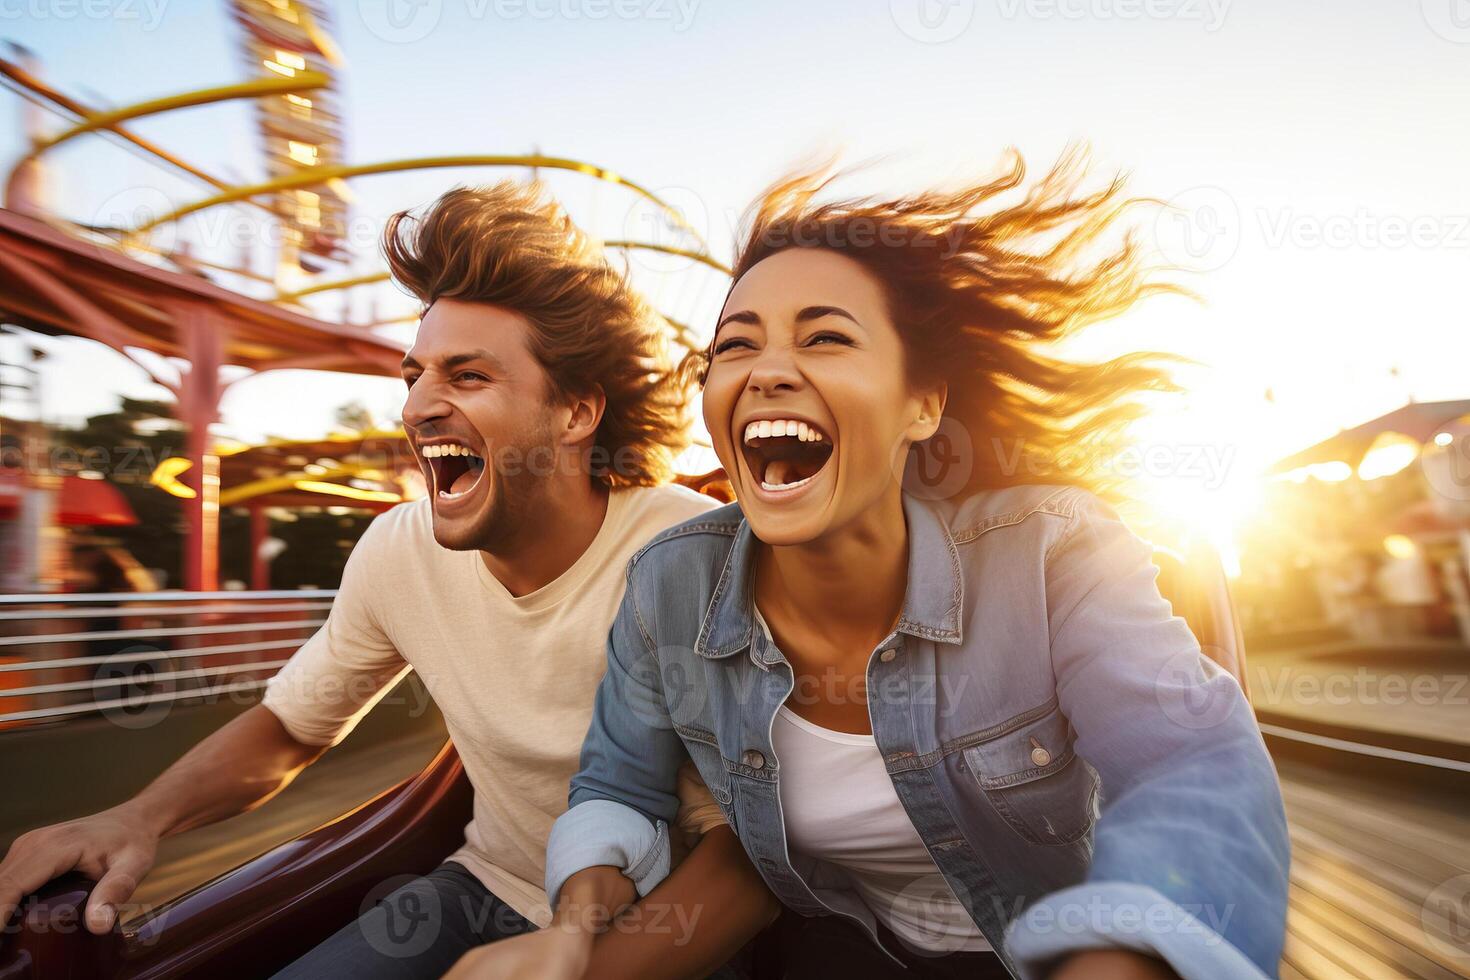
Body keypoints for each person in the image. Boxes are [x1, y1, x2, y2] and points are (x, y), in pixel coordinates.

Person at [505, 152, 1290, 979]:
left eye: (826, 338)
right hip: (834, 942)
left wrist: (1129, 957)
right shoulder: (667, 585)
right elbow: (618, 789)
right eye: (734, 348)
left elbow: (1190, 764)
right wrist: (573, 926)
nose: (767, 371)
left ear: (923, 404)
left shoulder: (1052, 553)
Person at [0, 183, 776, 979]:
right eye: (415, 376)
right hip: (484, 888)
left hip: (678, 930)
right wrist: (140, 818)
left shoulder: (692, 554)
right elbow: (294, 728)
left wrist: (578, 967)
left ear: (576, 413)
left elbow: (749, 851)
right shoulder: (397, 552)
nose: (420, 406)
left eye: (467, 377)